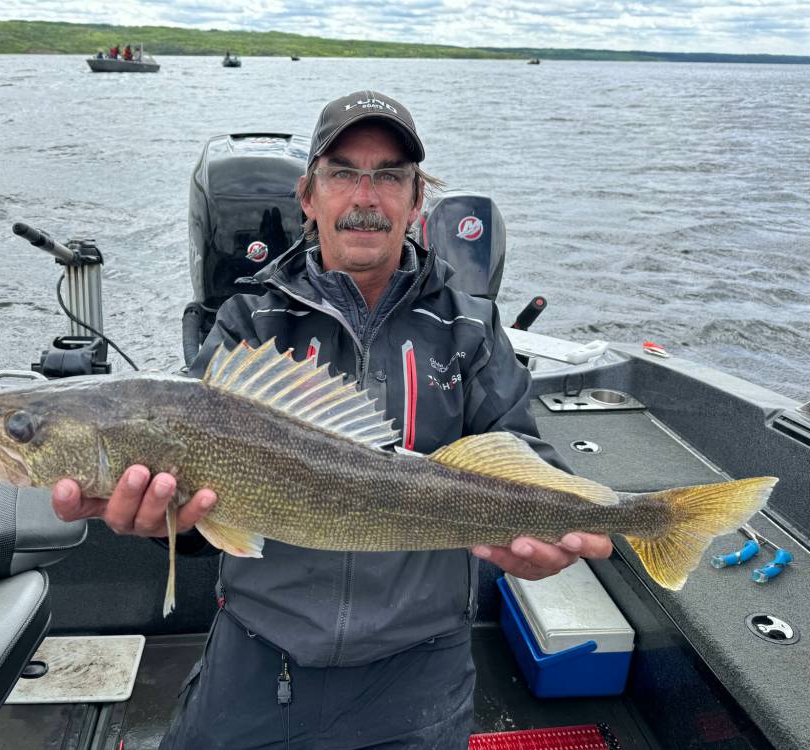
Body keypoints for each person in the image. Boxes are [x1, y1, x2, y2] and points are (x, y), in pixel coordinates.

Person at [52, 91, 613, 748]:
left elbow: (523, 456)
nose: (366, 196)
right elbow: (205, 507)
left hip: (421, 666)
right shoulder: (250, 323)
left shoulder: (471, 326)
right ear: (309, 196)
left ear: (415, 202)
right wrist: (167, 528)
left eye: (390, 176)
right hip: (262, 650)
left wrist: (551, 536)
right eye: (343, 172)